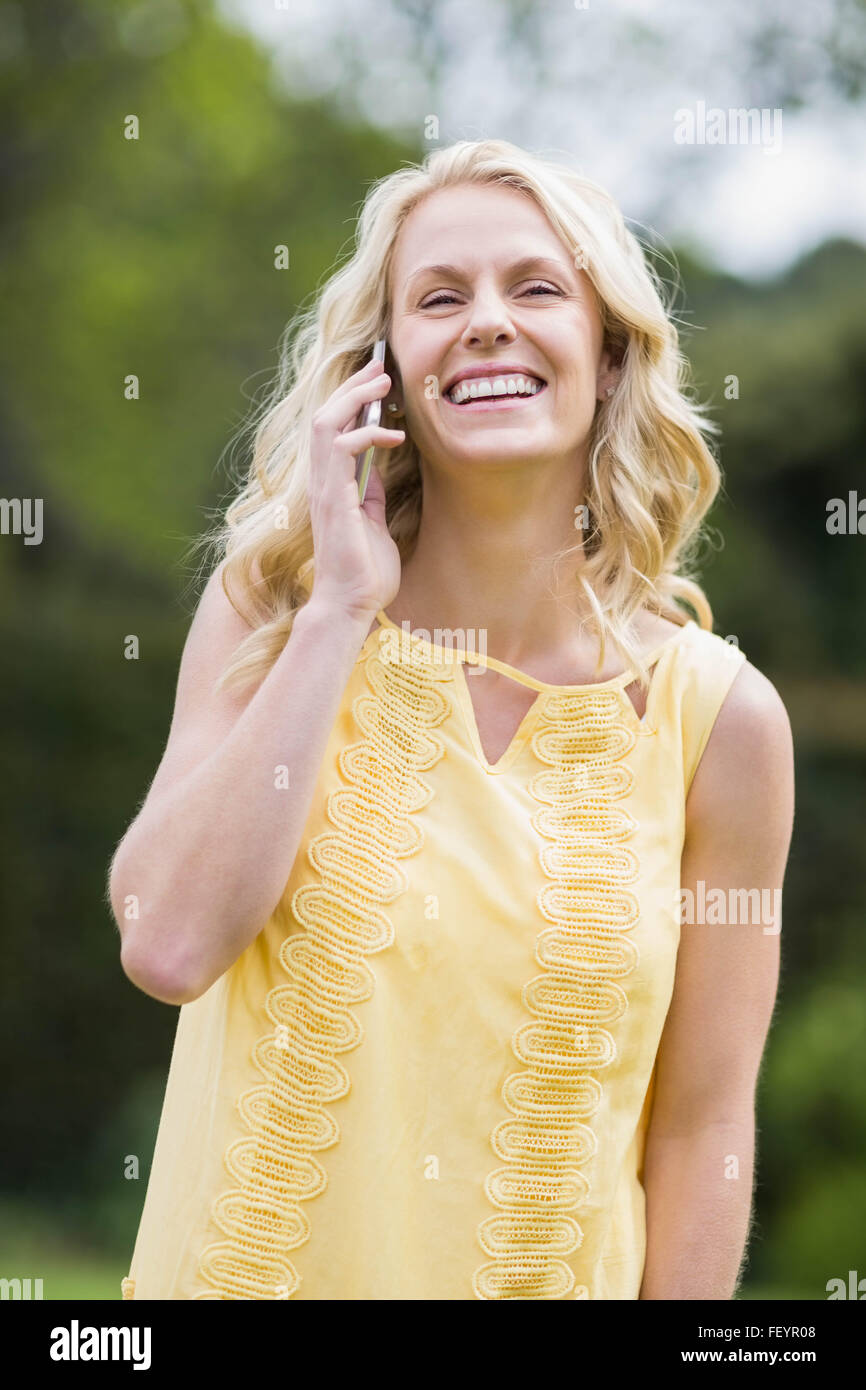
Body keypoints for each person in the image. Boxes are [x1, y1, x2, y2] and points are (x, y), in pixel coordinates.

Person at [109, 138, 794, 1300]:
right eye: (437, 298)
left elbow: (699, 1131)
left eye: (534, 289)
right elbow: (167, 944)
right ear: (382, 370)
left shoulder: (718, 719)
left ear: (610, 357)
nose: (485, 322)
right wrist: (338, 607)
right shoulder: (269, 613)